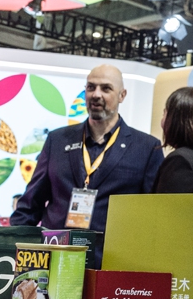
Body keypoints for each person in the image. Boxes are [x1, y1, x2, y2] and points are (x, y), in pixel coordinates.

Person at [13, 64, 163, 232]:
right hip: (57, 246)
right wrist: (10, 241)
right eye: (91, 87)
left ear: (122, 95)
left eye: (106, 89)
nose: (96, 94)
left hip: (110, 248)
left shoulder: (146, 148)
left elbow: (154, 215)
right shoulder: (57, 140)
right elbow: (31, 204)